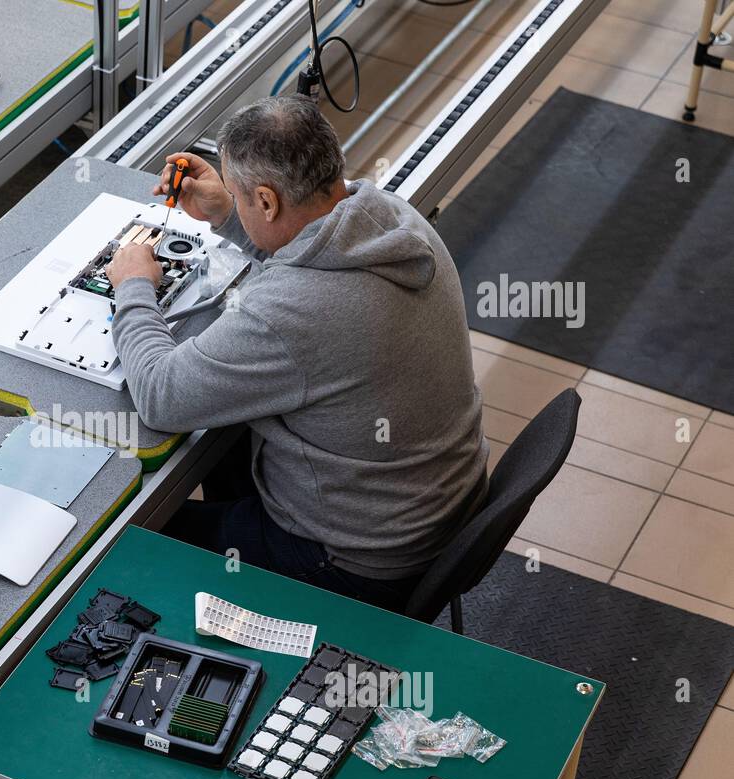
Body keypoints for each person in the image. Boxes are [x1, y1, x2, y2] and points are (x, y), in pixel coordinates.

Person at [103, 94, 488, 613]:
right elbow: (310, 248)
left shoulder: (290, 313)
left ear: (267, 201)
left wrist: (133, 288)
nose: (237, 205)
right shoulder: (391, 217)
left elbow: (161, 396)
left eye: (240, 198)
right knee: (226, 442)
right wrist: (228, 216)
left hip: (351, 561)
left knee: (122, 540)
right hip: (430, 509)